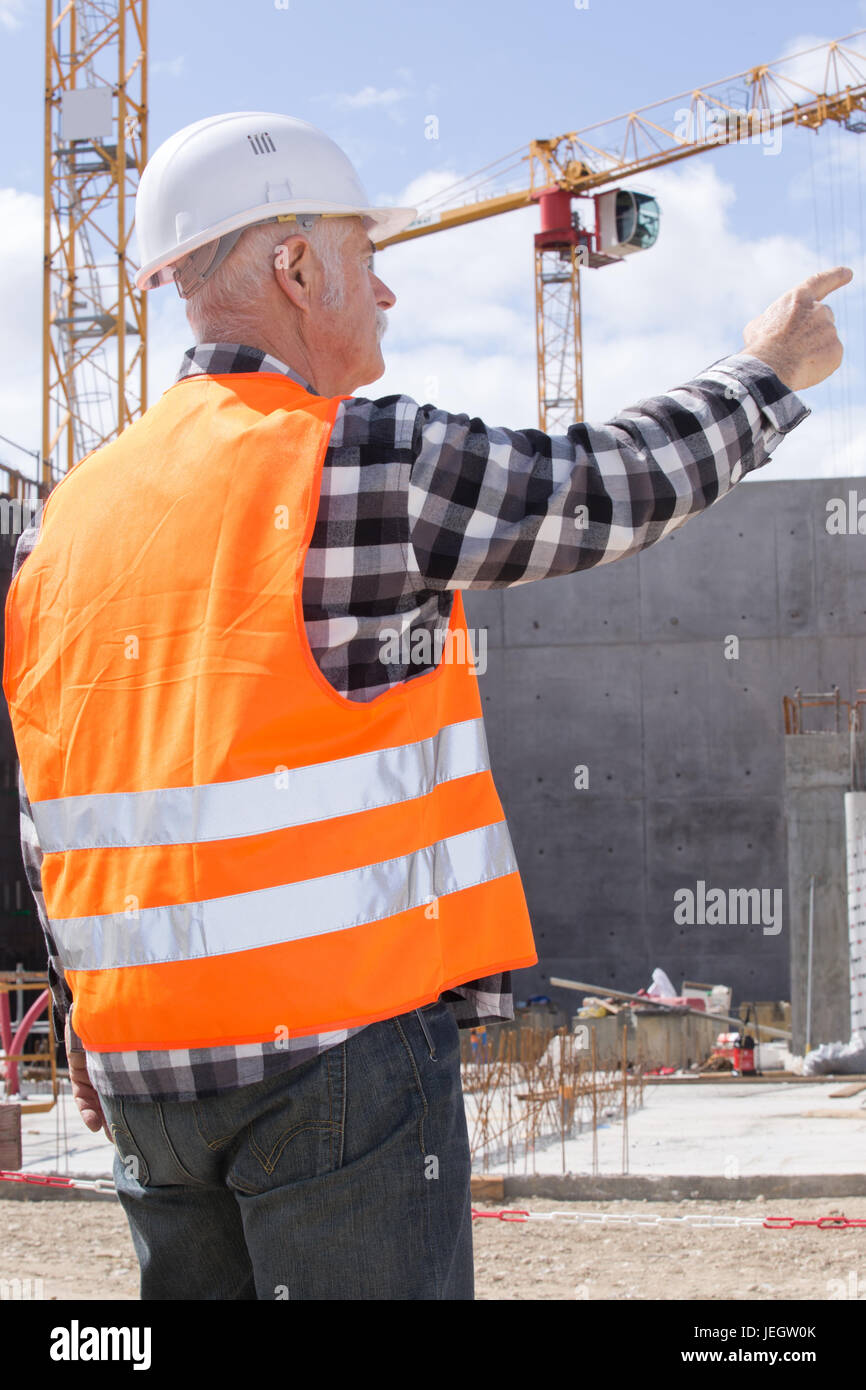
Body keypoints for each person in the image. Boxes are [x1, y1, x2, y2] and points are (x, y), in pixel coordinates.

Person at [3, 112, 850, 1301]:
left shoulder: (62, 526)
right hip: (336, 1057)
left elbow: (54, 813)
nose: (388, 288)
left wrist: (85, 1026)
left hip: (147, 1072)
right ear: (296, 268)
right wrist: (763, 376)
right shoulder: (350, 459)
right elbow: (604, 486)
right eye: (364, 253)